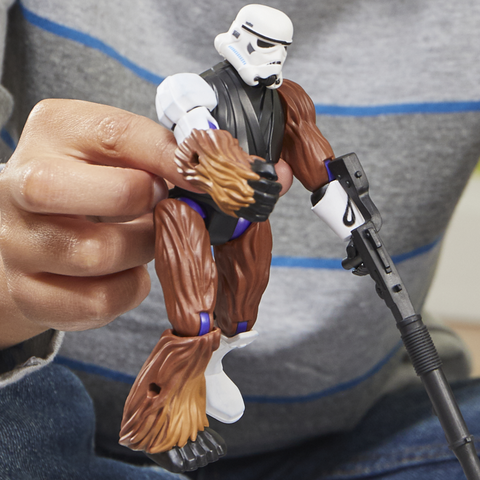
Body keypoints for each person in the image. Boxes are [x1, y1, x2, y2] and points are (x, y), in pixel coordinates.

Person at [0, 1, 479, 479]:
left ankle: (210, 369)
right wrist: (240, 176)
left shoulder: (288, 99)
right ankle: (165, 427)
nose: (272, 58)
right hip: (189, 213)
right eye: (264, 46)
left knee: (241, 312)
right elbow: (201, 136)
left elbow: (318, 168)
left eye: (280, 49)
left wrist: (354, 229)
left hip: (260, 243)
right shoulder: (192, 88)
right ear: (237, 38)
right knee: (194, 317)